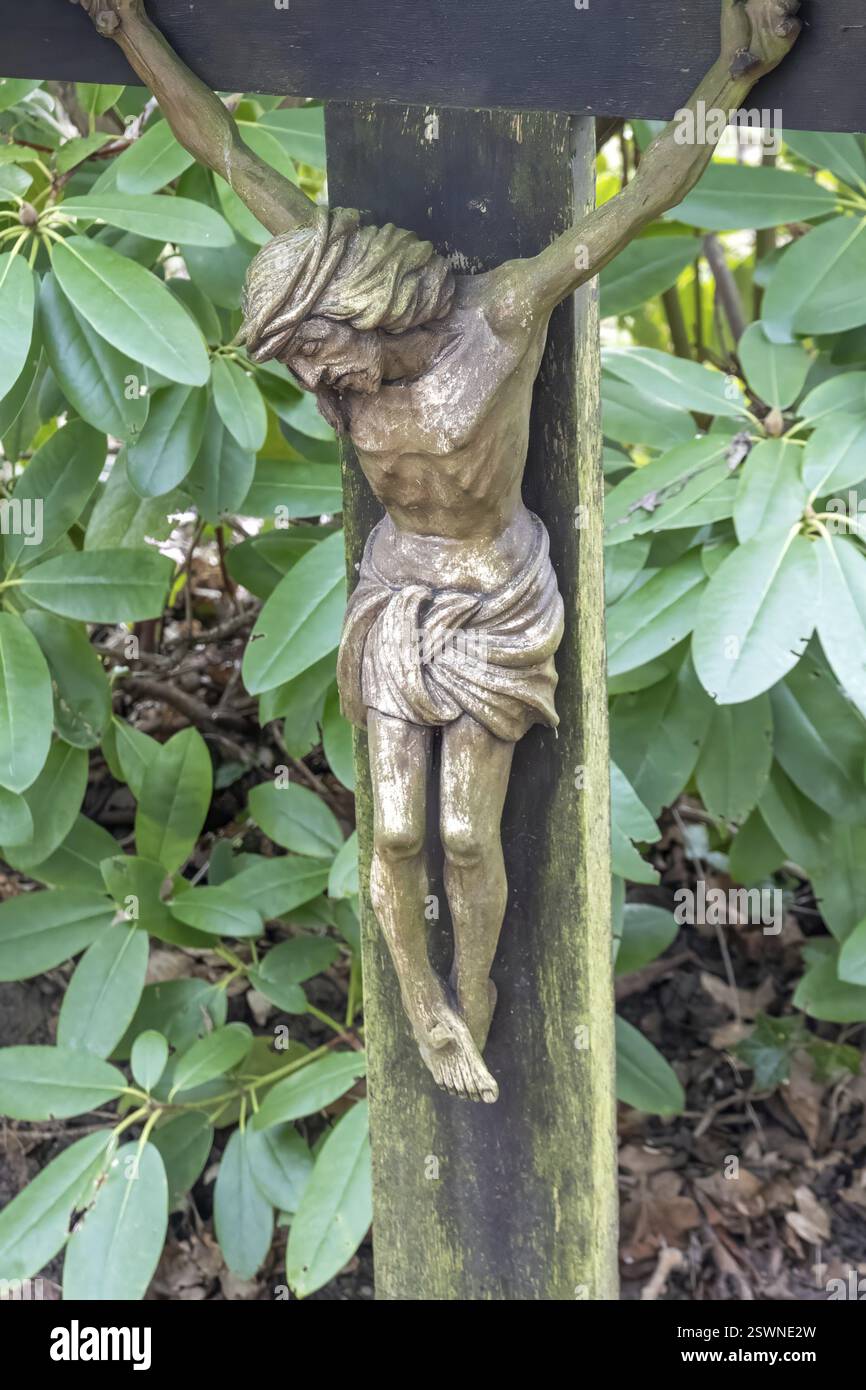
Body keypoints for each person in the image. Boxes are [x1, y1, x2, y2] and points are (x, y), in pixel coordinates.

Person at [71, 0, 801, 1102]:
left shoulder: (500, 317)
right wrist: (128, 30)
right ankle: (420, 1008)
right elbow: (219, 146)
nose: (316, 384)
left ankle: (478, 988)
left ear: (360, 310)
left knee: (464, 834)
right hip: (395, 587)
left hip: (495, 593)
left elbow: (641, 195)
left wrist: (736, 72)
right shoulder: (321, 292)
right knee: (395, 823)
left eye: (318, 356)